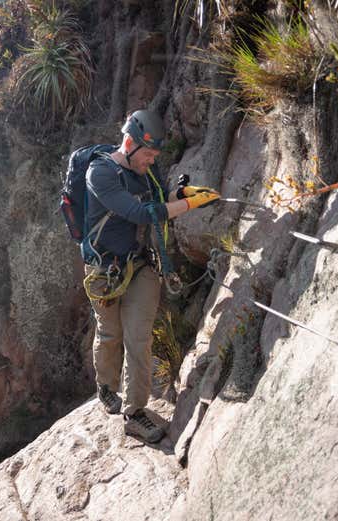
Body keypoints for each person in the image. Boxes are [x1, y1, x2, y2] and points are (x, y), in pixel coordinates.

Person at [84, 109, 220, 443]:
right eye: (147, 154)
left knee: (139, 338)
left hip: (140, 265)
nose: (151, 160)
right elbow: (138, 213)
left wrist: (184, 197)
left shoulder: (146, 172)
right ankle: (105, 386)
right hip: (104, 270)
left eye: (155, 155)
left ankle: (134, 412)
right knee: (110, 334)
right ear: (128, 143)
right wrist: (186, 207)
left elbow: (158, 201)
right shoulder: (100, 172)